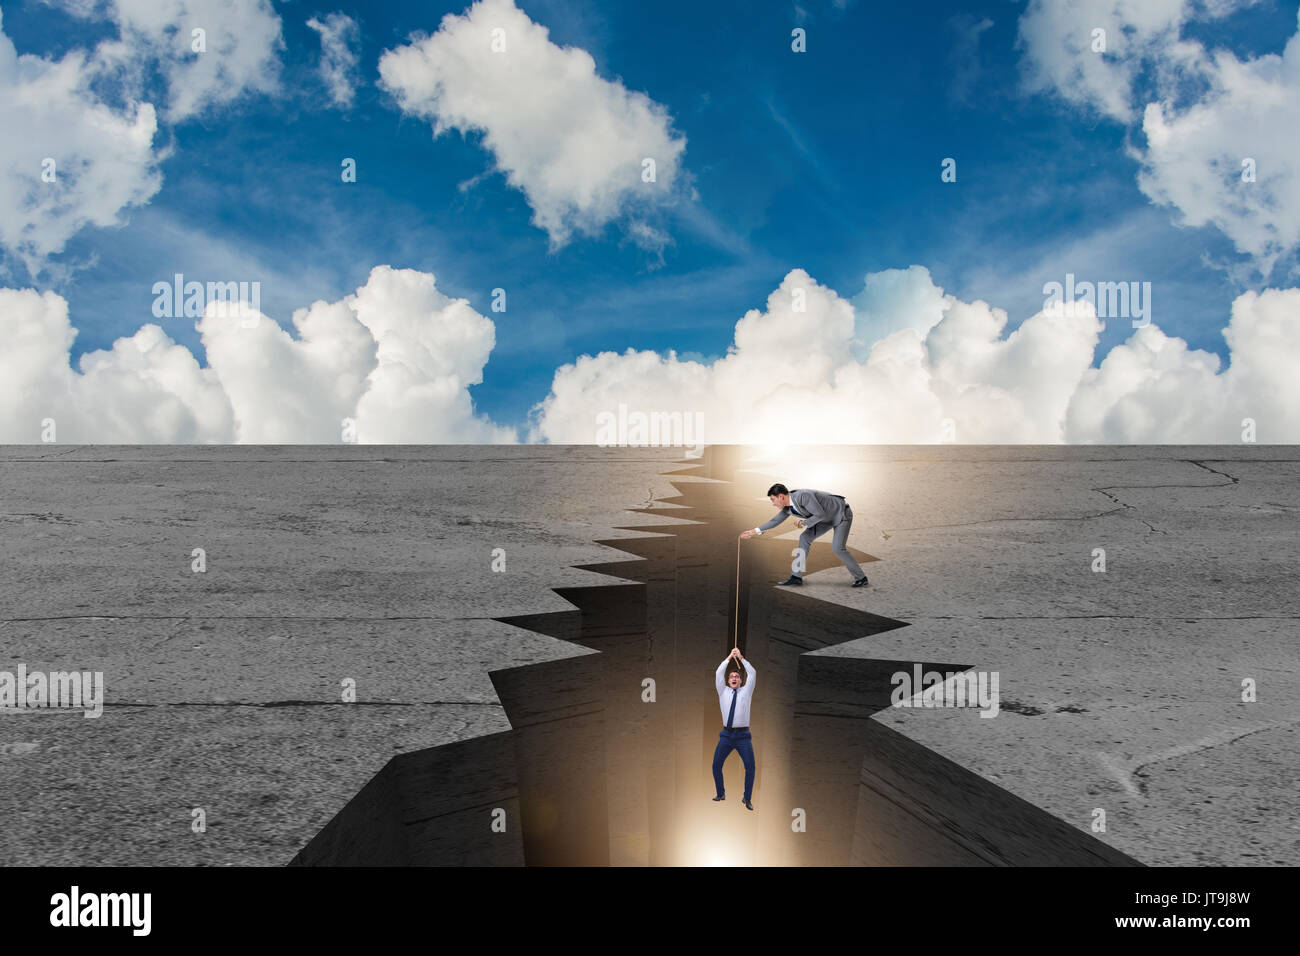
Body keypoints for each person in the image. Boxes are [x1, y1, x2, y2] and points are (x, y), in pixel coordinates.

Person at [740, 483, 869, 587]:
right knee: (804, 538)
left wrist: (804, 522)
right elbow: (775, 521)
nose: (773, 504)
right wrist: (753, 531)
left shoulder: (803, 496)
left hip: (841, 514)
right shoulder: (787, 507)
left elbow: (820, 514)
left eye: (773, 500)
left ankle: (861, 578)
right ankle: (796, 577)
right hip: (823, 519)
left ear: (781, 496)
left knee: (838, 548)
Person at [712, 647, 757, 810]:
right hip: (726, 735)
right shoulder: (722, 691)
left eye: (737, 676)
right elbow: (718, 673)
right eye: (731, 676)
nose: (734, 678)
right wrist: (730, 657)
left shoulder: (746, 692)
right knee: (716, 765)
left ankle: (747, 798)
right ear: (728, 680)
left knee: (750, 767)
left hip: (743, 736)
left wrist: (742, 659)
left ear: (740, 680)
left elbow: (752, 673)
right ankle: (720, 793)